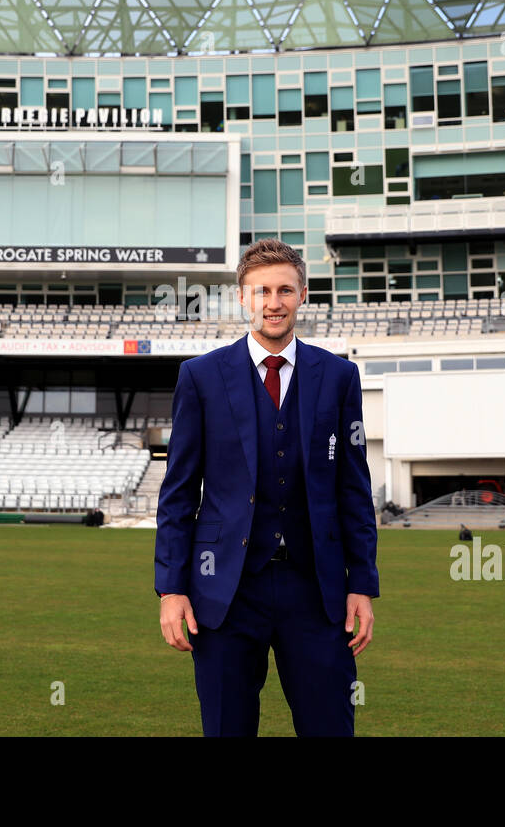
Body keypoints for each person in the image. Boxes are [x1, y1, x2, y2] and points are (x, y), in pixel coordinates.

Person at [154, 238, 379, 737]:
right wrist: (171, 588)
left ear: (303, 294)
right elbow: (178, 492)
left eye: (283, 290)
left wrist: (362, 582)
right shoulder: (201, 376)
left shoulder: (340, 377)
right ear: (241, 297)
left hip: (317, 591)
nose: (272, 303)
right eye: (260, 292)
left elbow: (353, 488)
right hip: (225, 593)